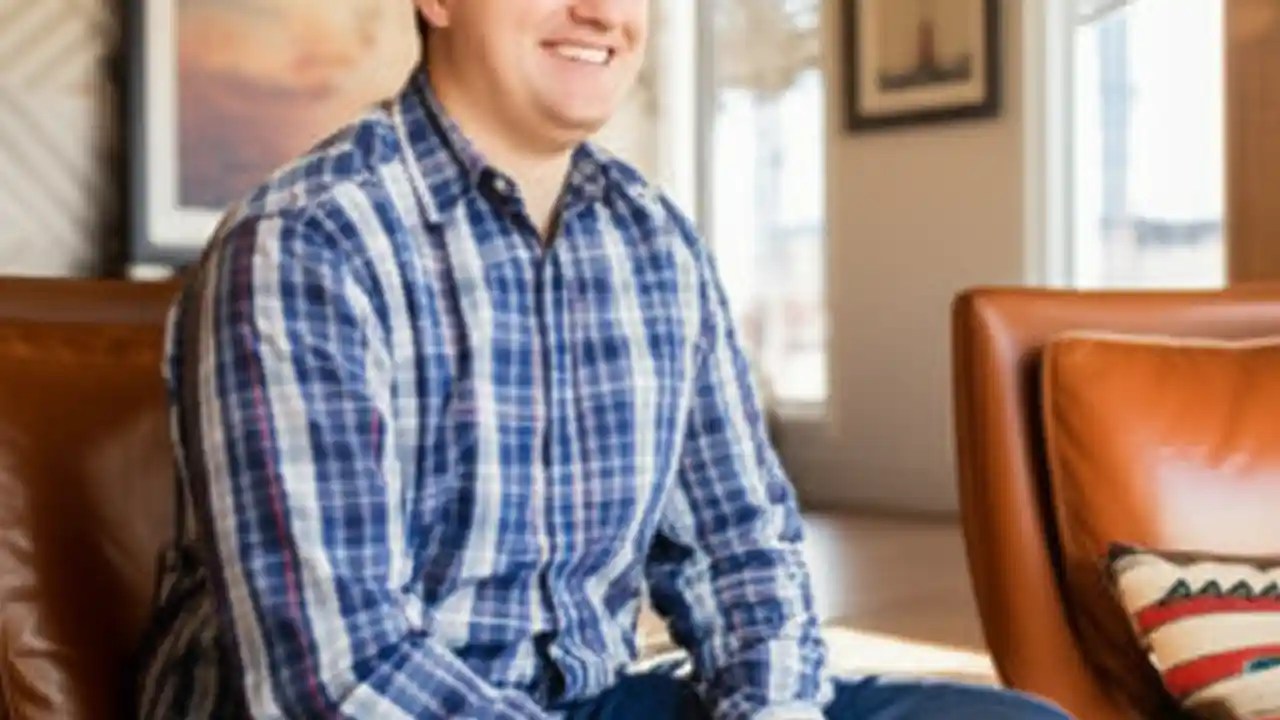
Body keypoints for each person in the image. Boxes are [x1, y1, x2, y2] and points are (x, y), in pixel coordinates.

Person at [135, 1, 1073, 718]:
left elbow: (742, 545)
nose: (599, 9)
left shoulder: (656, 241)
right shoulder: (305, 244)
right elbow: (336, 676)